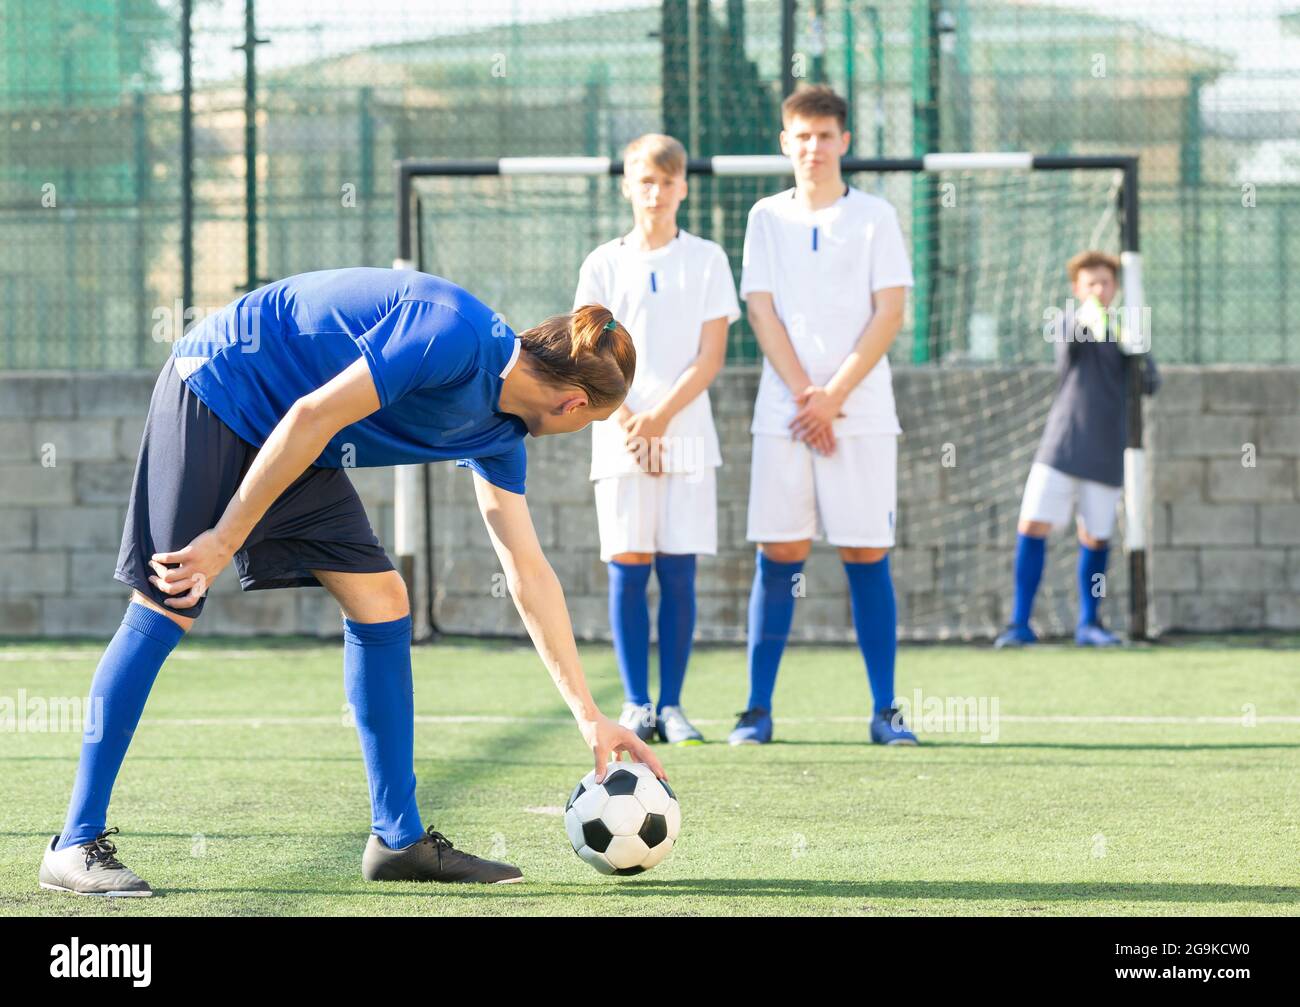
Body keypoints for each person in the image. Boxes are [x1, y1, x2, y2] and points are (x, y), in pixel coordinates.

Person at [39, 266, 665, 896]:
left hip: (298, 436)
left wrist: (588, 715)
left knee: (381, 600)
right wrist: (222, 541)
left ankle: (398, 840)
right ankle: (73, 843)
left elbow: (527, 570)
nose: (579, 429)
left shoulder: (501, 436)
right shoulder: (452, 333)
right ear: (574, 404)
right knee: (170, 598)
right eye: (590, 423)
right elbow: (312, 413)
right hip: (222, 386)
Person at [729, 85, 918, 747]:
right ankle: (756, 710)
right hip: (785, 413)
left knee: (866, 551)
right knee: (779, 552)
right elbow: (760, 310)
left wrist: (833, 397)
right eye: (802, 136)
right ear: (786, 142)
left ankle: (886, 711)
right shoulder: (764, 217)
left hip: (859, 414)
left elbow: (890, 311)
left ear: (844, 141)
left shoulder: (875, 216)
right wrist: (807, 395)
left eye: (825, 136)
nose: (814, 147)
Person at [574, 133, 739, 745]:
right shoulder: (602, 263)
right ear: (627, 185)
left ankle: (672, 705)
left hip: (686, 437)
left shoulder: (708, 259)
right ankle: (636, 704)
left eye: (667, 181)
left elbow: (710, 354)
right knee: (627, 567)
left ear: (683, 187)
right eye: (645, 180)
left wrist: (662, 418)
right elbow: (588, 353)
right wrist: (631, 419)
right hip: (619, 434)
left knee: (678, 570)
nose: (656, 192)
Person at [996, 250, 1160, 648]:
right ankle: (1019, 623)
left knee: (1096, 538)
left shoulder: (1126, 331)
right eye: (1091, 283)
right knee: (1032, 526)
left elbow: (1150, 384)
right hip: (1061, 448)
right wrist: (1091, 321)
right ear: (1077, 288)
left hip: (1105, 453)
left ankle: (1089, 623)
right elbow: (1067, 343)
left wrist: (1135, 349)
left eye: (1105, 282)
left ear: (1116, 287)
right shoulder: (1071, 323)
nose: (1099, 290)